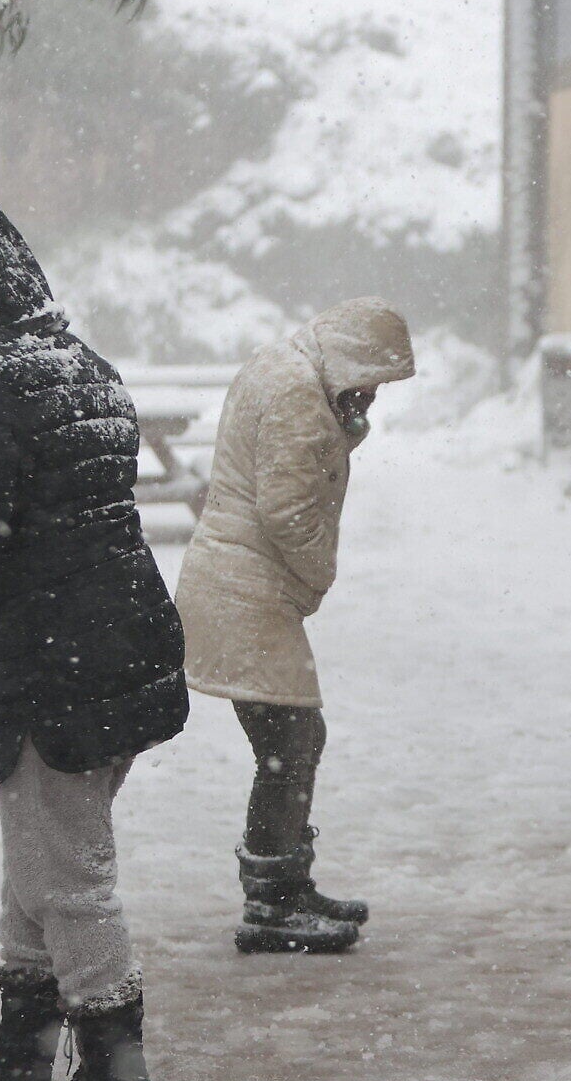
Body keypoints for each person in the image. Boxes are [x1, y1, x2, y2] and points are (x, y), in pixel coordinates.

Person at [0, 201, 189, 1081]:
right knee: (42, 852)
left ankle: (117, 1074)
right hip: (123, 642)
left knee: (68, 875)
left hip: (54, 661)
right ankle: (22, 1051)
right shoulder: (86, 367)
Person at [174, 298, 416, 954]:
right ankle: (273, 902)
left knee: (290, 741)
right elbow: (287, 511)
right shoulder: (299, 398)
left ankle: (283, 886)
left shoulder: (286, 370)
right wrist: (317, 575)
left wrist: (345, 425)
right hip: (244, 591)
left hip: (233, 584)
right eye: (370, 379)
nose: (371, 395)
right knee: (292, 741)